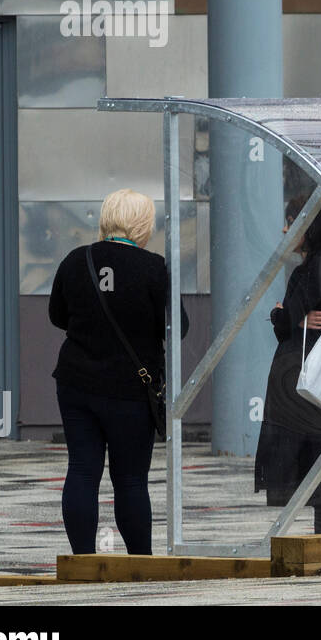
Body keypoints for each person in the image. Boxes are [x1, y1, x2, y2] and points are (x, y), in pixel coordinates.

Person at [48, 188, 189, 555]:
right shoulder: (153, 268)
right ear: (143, 224)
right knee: (129, 480)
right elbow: (178, 327)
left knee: (81, 469)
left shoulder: (75, 261)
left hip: (76, 383)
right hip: (131, 390)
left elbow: (56, 316)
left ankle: (82, 559)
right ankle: (140, 560)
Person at [253, 195, 321, 533]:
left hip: (305, 388)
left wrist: (285, 316)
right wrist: (293, 318)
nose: (285, 228)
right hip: (315, 385)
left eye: (292, 220)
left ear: (308, 227)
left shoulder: (312, 269)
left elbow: (285, 324)